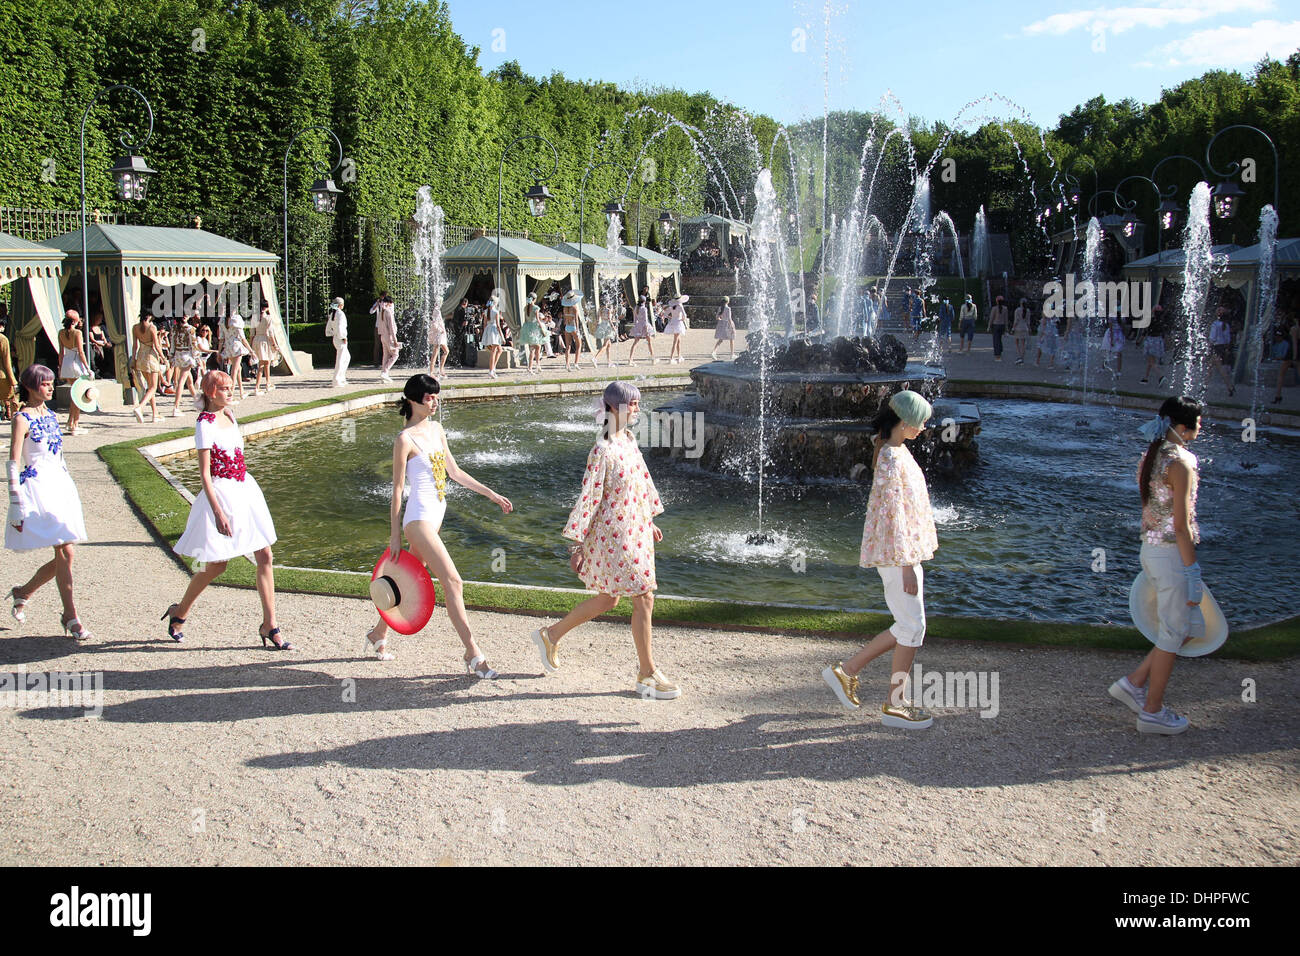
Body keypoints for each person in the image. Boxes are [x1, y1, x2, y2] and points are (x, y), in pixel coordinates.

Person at [529, 381, 679, 699]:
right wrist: (576, 544)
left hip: (636, 532)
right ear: (613, 407)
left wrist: (648, 519)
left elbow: (641, 483)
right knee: (644, 596)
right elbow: (589, 498)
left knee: (610, 598)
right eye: (632, 404)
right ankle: (647, 673)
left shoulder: (628, 440)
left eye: (638, 403)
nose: (638, 408)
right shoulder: (602, 449)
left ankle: (551, 634)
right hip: (614, 536)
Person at [363, 374, 513, 672]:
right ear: (413, 400)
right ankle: (473, 654)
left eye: (436, 396)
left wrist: (491, 494)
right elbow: (396, 490)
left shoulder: (437, 429)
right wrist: (394, 537)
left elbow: (454, 472)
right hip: (418, 519)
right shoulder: (404, 439)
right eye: (429, 397)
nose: (435, 401)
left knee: (408, 580)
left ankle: (378, 632)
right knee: (453, 581)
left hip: (436, 514)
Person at [822, 390, 937, 729]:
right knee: (913, 627)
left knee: (907, 625)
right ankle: (895, 703)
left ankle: (846, 672)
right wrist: (906, 564)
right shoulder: (891, 457)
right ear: (904, 422)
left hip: (899, 552)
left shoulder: (892, 450)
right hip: (898, 554)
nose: (924, 428)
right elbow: (893, 515)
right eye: (921, 422)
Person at [165, 370, 287, 648]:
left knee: (265, 554)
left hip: (244, 489)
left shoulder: (230, 415)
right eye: (224, 389)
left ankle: (270, 625)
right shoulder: (204, 424)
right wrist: (218, 512)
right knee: (217, 565)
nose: (230, 393)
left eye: (231, 388)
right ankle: (179, 611)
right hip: (221, 494)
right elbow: (205, 475)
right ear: (210, 392)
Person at [1108, 397, 1206, 735]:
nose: (1200, 426)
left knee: (1172, 630)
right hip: (1170, 554)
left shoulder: (1154, 455)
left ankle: (1134, 684)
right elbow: (1182, 525)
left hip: (1150, 550)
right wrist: (1193, 570)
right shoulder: (1181, 462)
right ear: (1182, 428)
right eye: (1197, 421)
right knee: (1174, 635)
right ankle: (1152, 711)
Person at [6, 364, 92, 640]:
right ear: (31, 387)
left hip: (60, 485)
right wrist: (16, 501)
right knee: (66, 552)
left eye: (51, 383)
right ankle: (71, 616)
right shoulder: (22, 419)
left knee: (66, 553)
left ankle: (24, 591)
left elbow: (60, 458)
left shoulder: (53, 416)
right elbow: (12, 461)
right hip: (38, 488)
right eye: (45, 384)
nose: (50, 387)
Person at [56, 311, 92, 436]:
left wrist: (60, 367)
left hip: (66, 362)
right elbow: (81, 352)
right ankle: (74, 424)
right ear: (75, 321)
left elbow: (61, 352)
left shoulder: (61, 332)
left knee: (74, 394)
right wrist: (88, 368)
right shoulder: (77, 333)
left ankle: (71, 422)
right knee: (78, 395)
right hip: (76, 363)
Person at [130, 312, 165, 423]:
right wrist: (163, 357)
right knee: (153, 387)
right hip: (151, 356)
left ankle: (155, 413)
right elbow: (157, 345)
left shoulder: (135, 327)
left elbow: (135, 346)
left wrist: (133, 359)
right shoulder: (152, 327)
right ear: (150, 316)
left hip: (141, 356)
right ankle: (140, 407)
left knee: (150, 387)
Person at [169, 309, 201, 417]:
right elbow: (194, 345)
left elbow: (172, 344)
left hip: (178, 354)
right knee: (182, 380)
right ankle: (176, 407)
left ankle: (198, 403)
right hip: (187, 355)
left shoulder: (174, 328)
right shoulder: (190, 329)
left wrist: (171, 356)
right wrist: (197, 358)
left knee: (189, 381)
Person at [221, 308, 252, 399]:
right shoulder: (236, 320)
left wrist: (219, 351)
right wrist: (251, 350)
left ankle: (241, 391)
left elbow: (221, 338)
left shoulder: (223, 321)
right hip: (236, 346)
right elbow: (243, 338)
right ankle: (231, 393)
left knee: (238, 368)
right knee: (234, 371)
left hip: (228, 346)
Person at [371, 293, 400, 383]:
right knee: (395, 354)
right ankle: (385, 371)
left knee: (386, 355)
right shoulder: (388, 312)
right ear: (388, 303)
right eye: (391, 303)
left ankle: (384, 374)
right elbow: (391, 327)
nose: (392, 305)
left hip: (383, 335)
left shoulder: (381, 312)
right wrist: (395, 340)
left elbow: (379, 326)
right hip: (389, 336)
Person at [1207, 307, 1235, 397]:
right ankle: (1204, 384)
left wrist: (1209, 344)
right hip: (1222, 347)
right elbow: (1227, 339)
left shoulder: (1215, 324)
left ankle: (1230, 387)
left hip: (1216, 347)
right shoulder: (1226, 325)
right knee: (1210, 366)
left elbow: (1212, 337)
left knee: (1220, 368)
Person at [1271, 312, 1298, 404]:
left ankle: (1278, 396)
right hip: (1295, 352)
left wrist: (1294, 357)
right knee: (1282, 373)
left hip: (1292, 353)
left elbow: (1294, 343)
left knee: (1281, 374)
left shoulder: (1294, 329)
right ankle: (1278, 396)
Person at [479, 290, 507, 379]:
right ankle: (491, 370)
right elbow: (498, 326)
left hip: (488, 329)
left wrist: (484, 334)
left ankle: (493, 367)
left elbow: (484, 324)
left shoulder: (486, 311)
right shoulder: (496, 312)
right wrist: (502, 336)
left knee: (499, 350)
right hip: (494, 330)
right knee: (493, 352)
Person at [250, 303, 277, 395]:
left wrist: (250, 346)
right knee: (263, 363)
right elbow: (270, 333)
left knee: (266, 362)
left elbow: (252, 333)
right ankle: (257, 386)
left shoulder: (254, 318)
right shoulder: (268, 318)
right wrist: (274, 344)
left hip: (256, 340)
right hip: (264, 340)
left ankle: (267, 383)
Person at [519, 292, 547, 375]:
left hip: (527, 327)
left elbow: (526, 319)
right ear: (534, 299)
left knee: (535, 347)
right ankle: (531, 367)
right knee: (534, 348)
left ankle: (537, 365)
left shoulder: (526, 308)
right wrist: (542, 328)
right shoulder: (536, 308)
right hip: (534, 328)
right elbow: (538, 320)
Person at [626, 294, 658, 366]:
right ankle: (653, 358)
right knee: (649, 342)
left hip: (638, 325)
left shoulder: (636, 308)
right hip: (644, 326)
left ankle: (630, 359)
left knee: (635, 343)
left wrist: (636, 326)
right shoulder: (644, 309)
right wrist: (646, 329)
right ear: (644, 301)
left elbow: (635, 319)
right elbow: (645, 320)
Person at [325, 296, 350, 387]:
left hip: (336, 338)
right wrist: (342, 337)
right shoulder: (340, 314)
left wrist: (334, 333)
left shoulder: (333, 314)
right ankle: (336, 380)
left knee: (347, 357)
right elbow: (340, 327)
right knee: (340, 359)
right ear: (340, 305)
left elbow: (327, 330)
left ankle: (341, 377)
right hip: (340, 339)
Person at [1140, 305, 1167, 384]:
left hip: (1151, 341)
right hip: (1158, 341)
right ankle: (1146, 378)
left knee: (1151, 362)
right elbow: (1163, 334)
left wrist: (1139, 341)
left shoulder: (1150, 321)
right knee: (1151, 361)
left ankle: (1161, 376)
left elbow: (1145, 332)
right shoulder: (1162, 321)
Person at [560, 289, 585, 372]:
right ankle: (576, 363)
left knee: (568, 346)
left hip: (567, 327)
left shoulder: (565, 308)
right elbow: (576, 320)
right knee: (578, 345)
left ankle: (567, 364)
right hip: (573, 326)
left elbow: (564, 318)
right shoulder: (574, 308)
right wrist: (577, 330)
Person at [663, 294, 688, 364]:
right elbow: (685, 315)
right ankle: (671, 358)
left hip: (673, 322)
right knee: (675, 341)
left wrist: (671, 318)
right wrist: (682, 319)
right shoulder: (680, 305)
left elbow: (665, 314)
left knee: (678, 341)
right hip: (678, 323)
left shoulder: (672, 306)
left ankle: (679, 356)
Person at [86, 312, 112, 379]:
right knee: (95, 358)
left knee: (105, 356)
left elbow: (103, 337)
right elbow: (92, 339)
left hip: (102, 345)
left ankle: (104, 371)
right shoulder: (90, 328)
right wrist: (100, 344)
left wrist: (106, 343)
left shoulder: (100, 328)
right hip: (95, 345)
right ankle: (96, 372)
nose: (100, 320)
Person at [593, 300, 617, 367]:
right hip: (607, 326)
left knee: (609, 344)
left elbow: (598, 321)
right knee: (605, 345)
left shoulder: (600, 310)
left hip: (602, 326)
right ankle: (595, 358)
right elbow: (609, 320)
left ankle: (609, 361)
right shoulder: (608, 310)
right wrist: (614, 328)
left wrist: (596, 327)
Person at [428, 305, 449, 379]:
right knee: (435, 354)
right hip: (438, 335)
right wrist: (440, 330)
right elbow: (434, 323)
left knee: (445, 351)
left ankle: (440, 370)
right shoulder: (436, 310)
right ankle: (431, 372)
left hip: (440, 335)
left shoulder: (437, 310)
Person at [711, 295, 735, 360]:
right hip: (728, 324)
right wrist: (732, 327)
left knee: (721, 340)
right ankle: (732, 354)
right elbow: (729, 319)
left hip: (722, 324)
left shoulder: (720, 308)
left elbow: (717, 317)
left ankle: (714, 351)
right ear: (728, 302)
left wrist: (722, 321)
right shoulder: (728, 309)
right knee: (731, 339)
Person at [988, 295, 1009, 361]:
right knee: (999, 339)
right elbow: (1006, 319)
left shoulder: (994, 308)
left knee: (996, 340)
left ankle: (997, 355)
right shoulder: (1005, 309)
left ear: (997, 301)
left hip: (996, 325)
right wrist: (1006, 328)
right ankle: (1000, 351)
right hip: (1002, 325)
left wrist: (989, 326)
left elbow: (991, 318)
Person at [1012, 298, 1031, 365]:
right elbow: (1028, 322)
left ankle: (1019, 356)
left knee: (1017, 343)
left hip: (1018, 328)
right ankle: (1022, 357)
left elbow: (1016, 320)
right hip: (1025, 328)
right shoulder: (1028, 311)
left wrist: (1013, 328)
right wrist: (1029, 329)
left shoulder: (1017, 310)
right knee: (1023, 344)